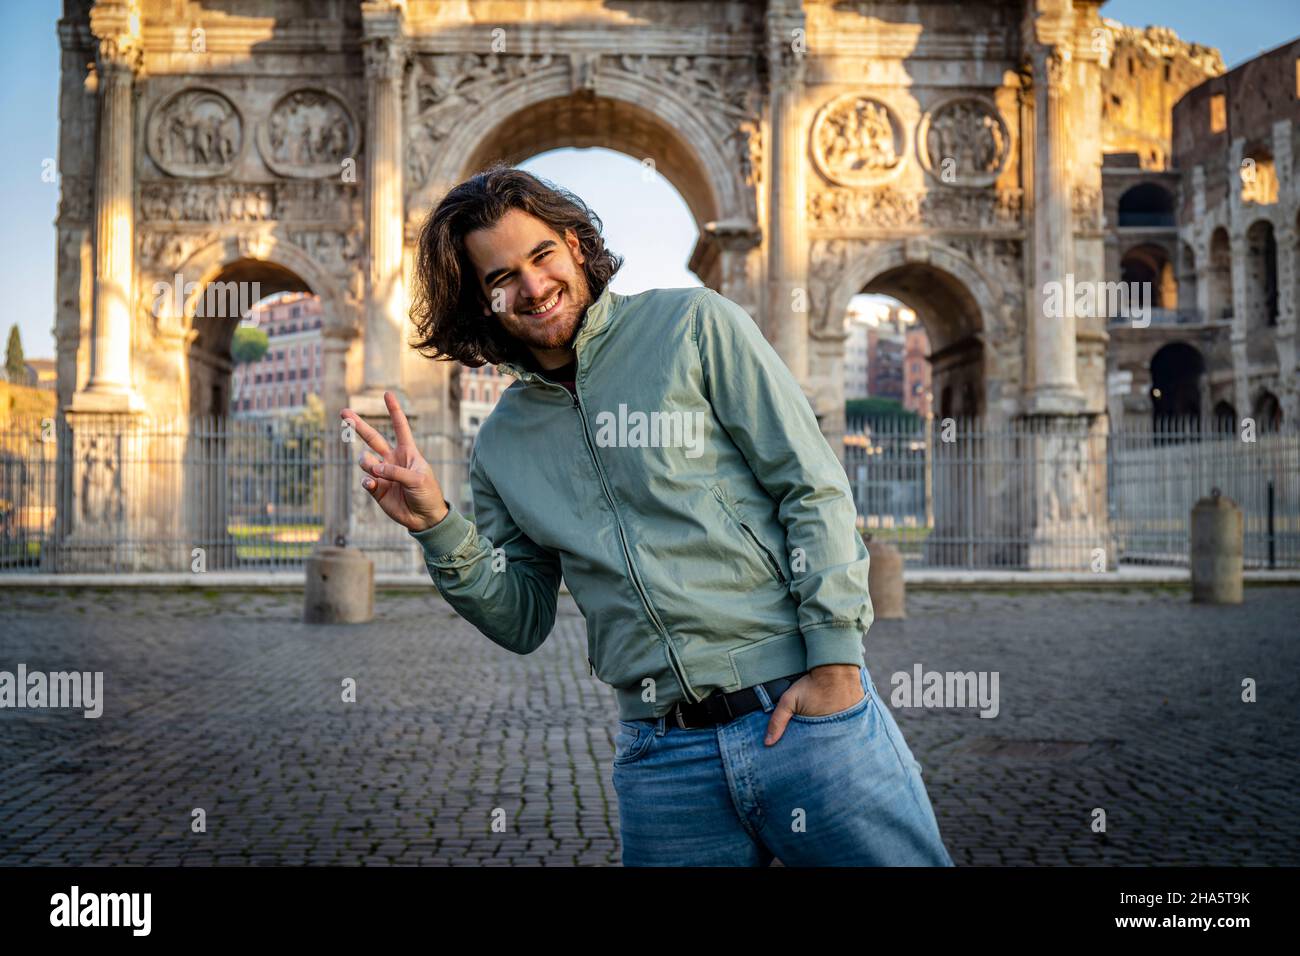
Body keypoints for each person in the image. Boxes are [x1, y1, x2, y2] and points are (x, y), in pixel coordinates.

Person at [340, 162, 953, 867]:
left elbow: (810, 487)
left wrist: (837, 662)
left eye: (541, 255)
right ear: (484, 303)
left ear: (575, 244)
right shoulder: (501, 443)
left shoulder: (695, 325)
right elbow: (521, 619)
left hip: (810, 715)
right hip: (662, 759)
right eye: (501, 277)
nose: (533, 286)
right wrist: (435, 523)